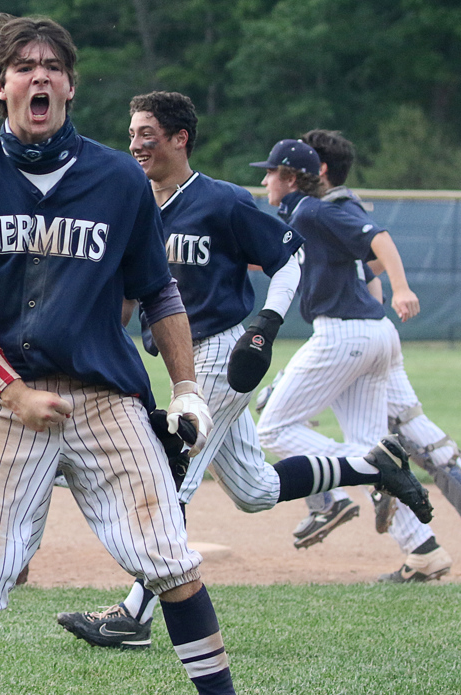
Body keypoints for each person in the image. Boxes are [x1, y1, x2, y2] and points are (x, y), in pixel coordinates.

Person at [0, 14, 288, 695]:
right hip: (9, 400)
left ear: (70, 85)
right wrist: (10, 391)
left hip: (107, 395)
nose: (38, 77)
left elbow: (159, 290)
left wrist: (183, 389)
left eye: (52, 66)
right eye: (23, 66)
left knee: (170, 561)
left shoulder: (116, 179)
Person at [54, 93, 433, 649]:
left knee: (172, 475)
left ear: (181, 138)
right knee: (254, 488)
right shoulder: (134, 206)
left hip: (224, 352)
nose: (135, 144)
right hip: (183, 357)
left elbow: (291, 257)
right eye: (132, 133)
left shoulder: (221, 201)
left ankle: (134, 614)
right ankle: (370, 464)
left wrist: (268, 325)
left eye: (147, 134)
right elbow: (130, 298)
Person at [287, 129, 461, 578]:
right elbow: (361, 264)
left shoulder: (330, 208)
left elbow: (375, 247)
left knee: (353, 434)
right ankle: (448, 534)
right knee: (405, 429)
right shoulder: (329, 207)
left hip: (352, 332)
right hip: (370, 328)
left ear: (321, 169)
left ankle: (332, 500)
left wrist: (398, 289)